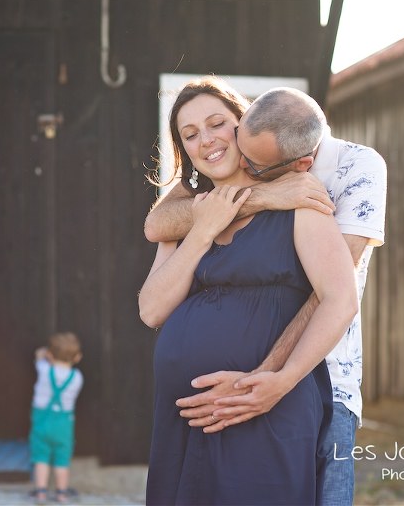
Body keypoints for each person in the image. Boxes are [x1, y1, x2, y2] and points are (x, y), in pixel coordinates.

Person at [144, 86, 387, 505]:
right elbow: (151, 311)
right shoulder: (184, 215)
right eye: (190, 134)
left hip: (269, 404)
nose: (206, 139)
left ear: (245, 128)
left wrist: (272, 380)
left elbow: (338, 297)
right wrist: (204, 227)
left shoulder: (300, 197)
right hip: (186, 414)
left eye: (217, 124)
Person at [29, 332, 84, 504]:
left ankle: (41, 493)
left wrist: (44, 354)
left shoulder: (44, 370)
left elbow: (39, 356)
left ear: (50, 355)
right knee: (62, 459)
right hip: (63, 425)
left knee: (41, 457)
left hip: (42, 421)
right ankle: (61, 493)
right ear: (77, 357)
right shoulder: (77, 378)